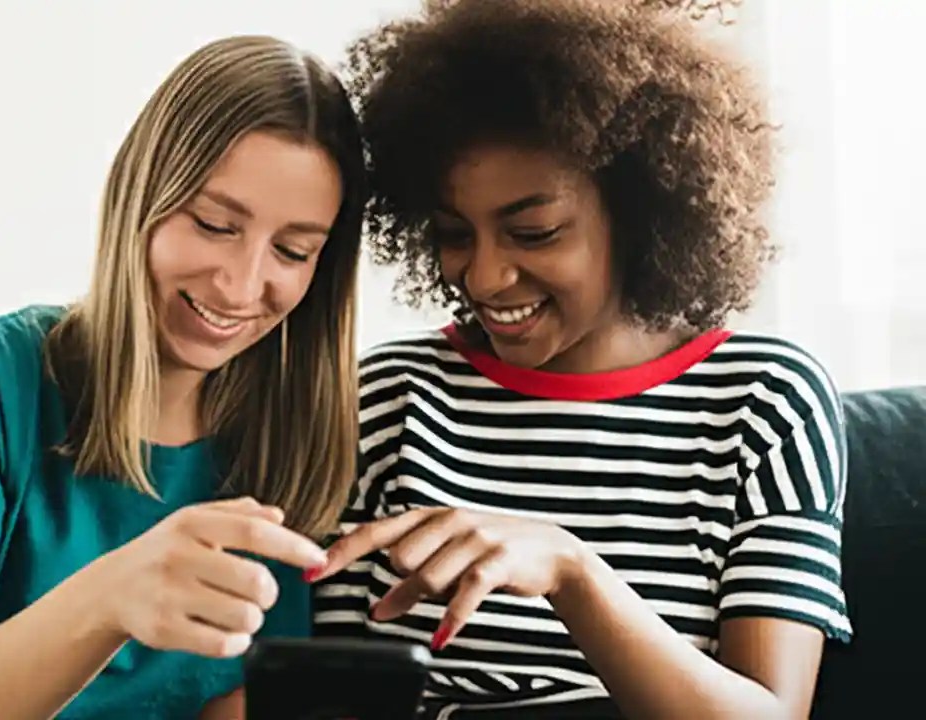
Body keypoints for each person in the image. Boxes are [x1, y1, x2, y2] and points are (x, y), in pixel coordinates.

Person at [309, 1, 851, 718]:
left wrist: (572, 572)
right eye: (453, 233)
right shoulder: (390, 398)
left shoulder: (764, 400)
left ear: (637, 208)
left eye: (534, 232)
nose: (484, 277)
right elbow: (321, 692)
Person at [0, 34, 367, 720]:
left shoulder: (288, 439)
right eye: (214, 224)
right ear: (143, 196)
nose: (240, 284)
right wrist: (112, 598)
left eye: (292, 250)